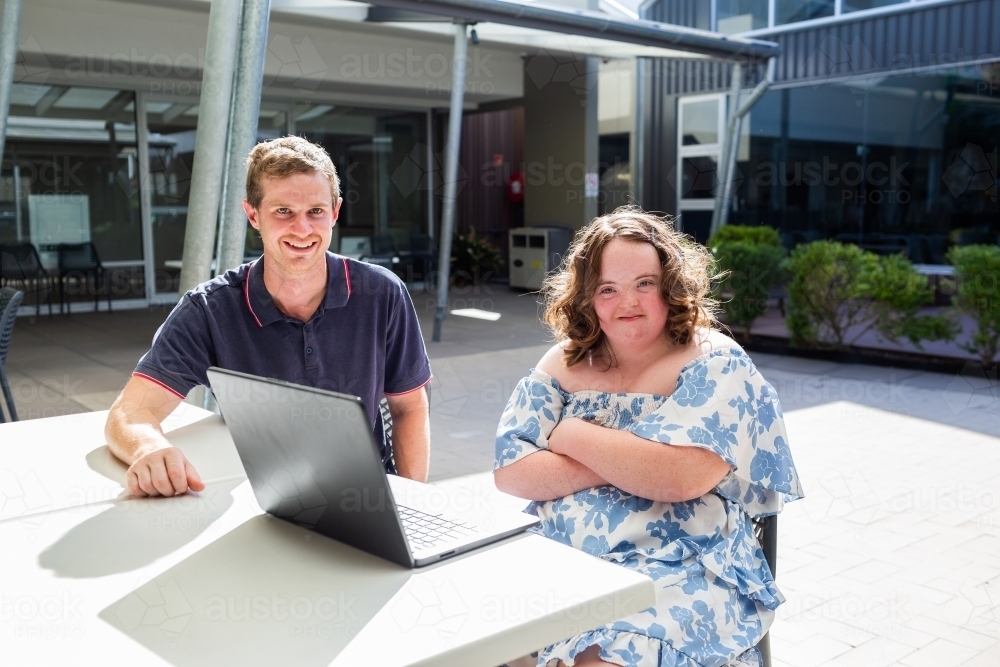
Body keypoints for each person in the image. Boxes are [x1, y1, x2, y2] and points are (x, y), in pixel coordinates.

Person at [494, 208, 803, 667]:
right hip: (563, 556)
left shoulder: (714, 358)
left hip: (682, 564)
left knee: (599, 658)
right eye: (607, 289)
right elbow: (513, 472)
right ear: (586, 297)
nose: (628, 303)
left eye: (644, 283)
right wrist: (635, 459)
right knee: (466, 637)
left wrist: (572, 433)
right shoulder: (563, 362)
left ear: (671, 285)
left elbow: (681, 476)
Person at [106, 136, 432, 497]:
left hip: (366, 497)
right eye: (283, 212)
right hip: (261, 497)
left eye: (316, 212)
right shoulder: (210, 310)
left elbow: (409, 407)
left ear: (335, 212)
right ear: (253, 215)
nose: (303, 229)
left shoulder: (382, 294)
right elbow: (130, 414)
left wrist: (411, 500)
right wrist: (149, 449)